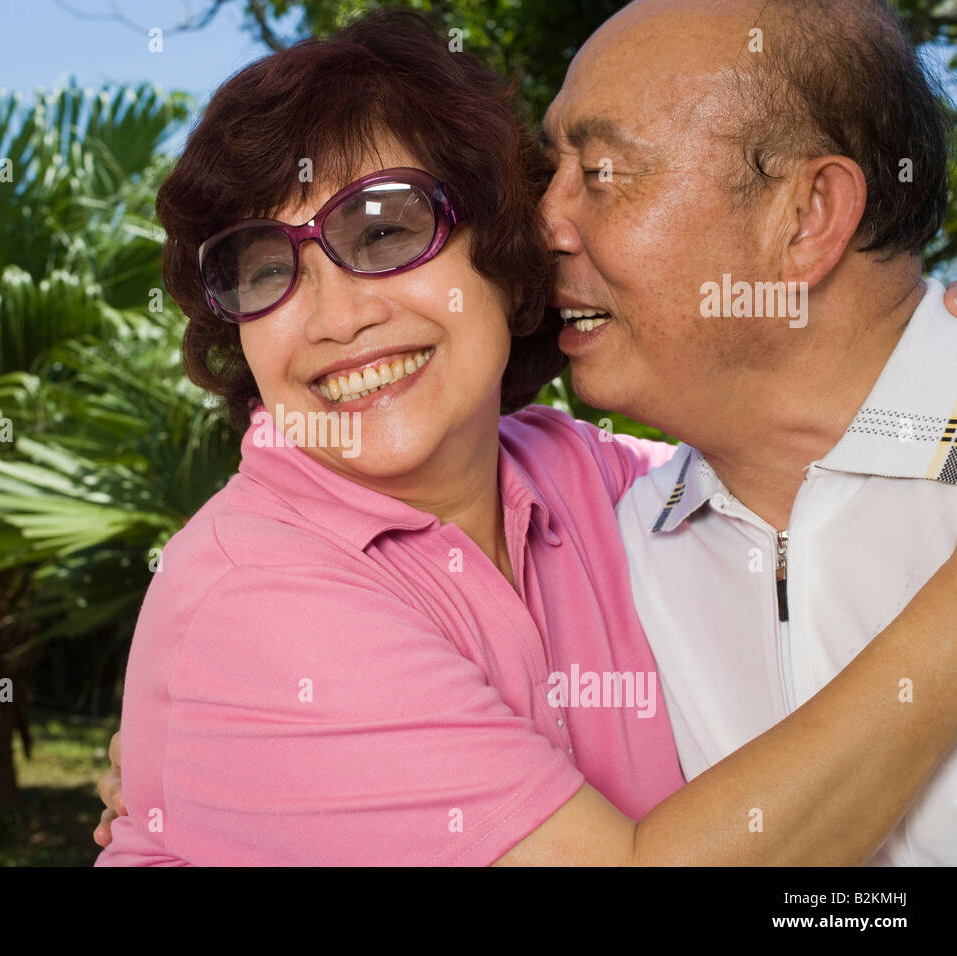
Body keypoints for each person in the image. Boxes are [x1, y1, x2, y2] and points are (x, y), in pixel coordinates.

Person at [93, 10, 957, 866]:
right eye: (265, 269)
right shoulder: (250, 604)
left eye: (385, 231)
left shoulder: (613, 490)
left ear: (497, 255)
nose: (334, 318)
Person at [537, 0, 957, 864]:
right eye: (553, 170)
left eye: (604, 172)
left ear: (806, 217)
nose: (545, 223)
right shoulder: (601, 552)